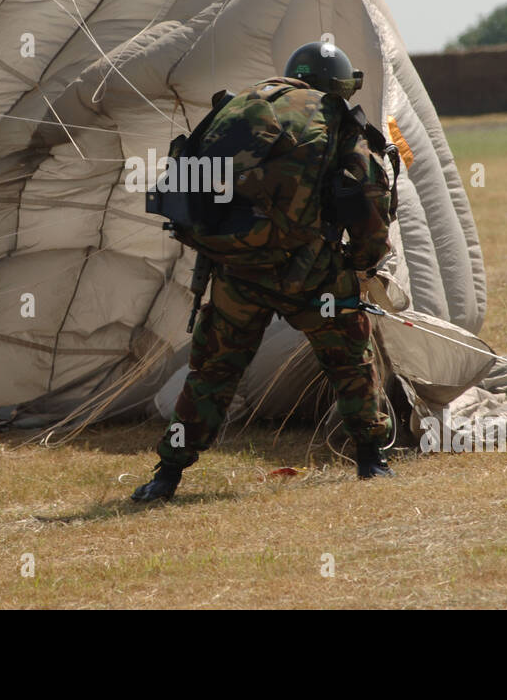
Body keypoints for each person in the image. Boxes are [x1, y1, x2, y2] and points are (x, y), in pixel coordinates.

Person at [133, 41, 399, 502]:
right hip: (313, 274)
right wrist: (364, 261)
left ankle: (167, 475)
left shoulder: (242, 105)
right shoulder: (336, 118)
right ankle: (371, 459)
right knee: (350, 362)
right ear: (337, 84)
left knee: (211, 372)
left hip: (240, 271)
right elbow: (365, 193)